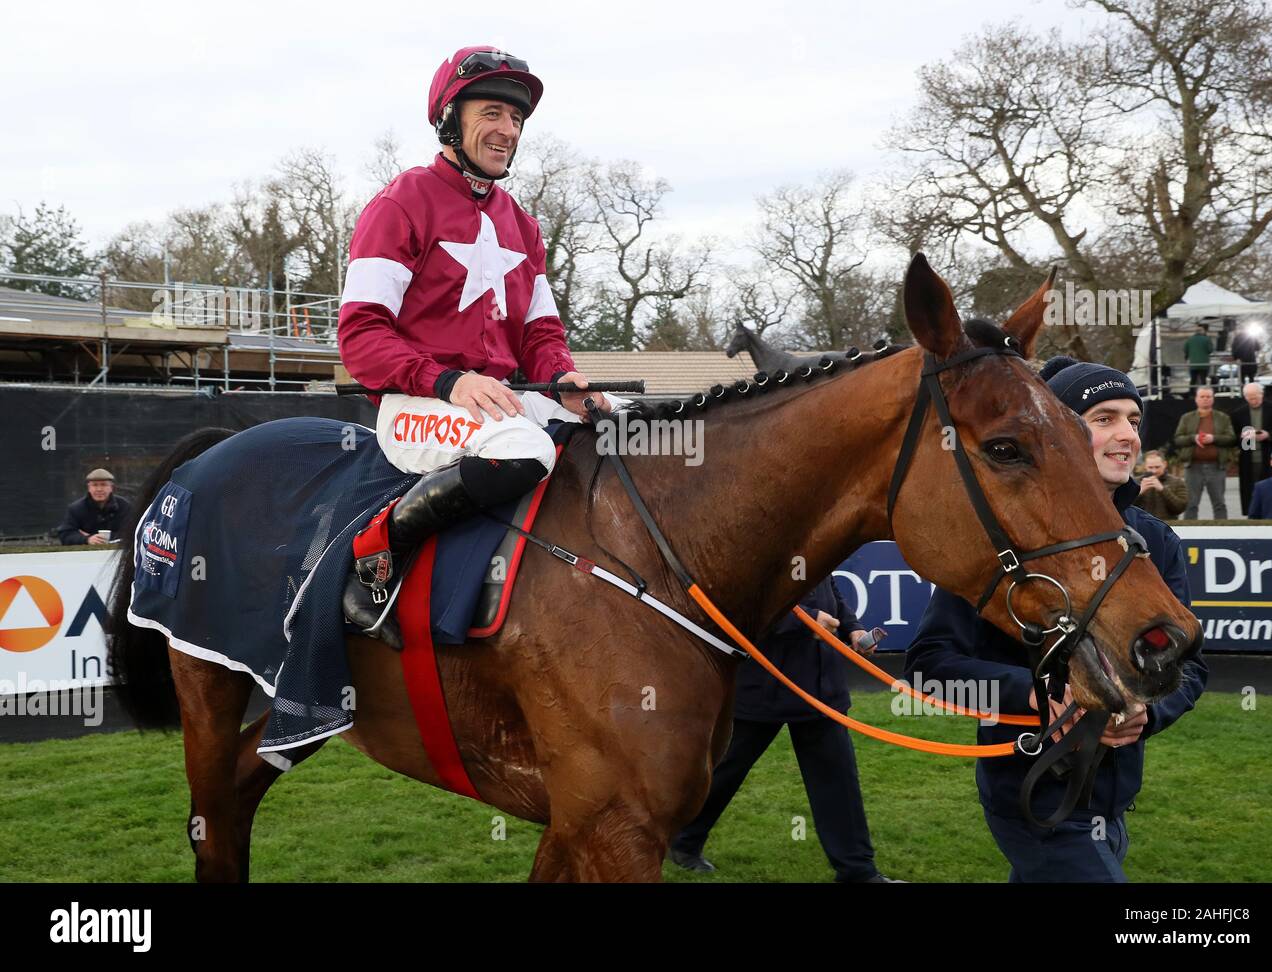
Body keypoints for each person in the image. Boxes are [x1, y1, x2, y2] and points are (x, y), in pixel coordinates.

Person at [336, 47, 614, 640]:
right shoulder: (400, 203)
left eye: (516, 119)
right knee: (526, 452)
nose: (507, 130)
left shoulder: (522, 223)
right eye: (492, 112)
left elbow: (542, 334)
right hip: (416, 404)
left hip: (499, 399)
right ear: (449, 120)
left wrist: (563, 380)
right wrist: (449, 381)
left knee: (634, 431)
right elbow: (360, 337)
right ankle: (378, 549)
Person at [905, 357, 1207, 883]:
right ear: (1059, 432)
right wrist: (1034, 694)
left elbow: (1190, 665)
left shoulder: (1156, 541)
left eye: (1134, 421)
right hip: (1032, 801)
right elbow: (929, 669)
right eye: (1105, 418)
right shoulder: (997, 538)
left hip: (1112, 807)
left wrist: (1147, 714)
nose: (1127, 436)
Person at [668, 575, 899, 883]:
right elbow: (748, 603)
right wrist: (807, 622)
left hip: (820, 690)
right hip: (767, 684)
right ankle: (683, 841)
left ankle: (857, 870)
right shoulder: (760, 542)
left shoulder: (812, 540)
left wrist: (853, 628)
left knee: (837, 780)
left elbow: (832, 592)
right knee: (725, 771)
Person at [1172, 386, 1234, 520]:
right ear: (1196, 399)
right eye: (1202, 396)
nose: (1205, 399)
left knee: (1219, 503)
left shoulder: (1223, 418)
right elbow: (1178, 439)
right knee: (1191, 504)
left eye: (1208, 397)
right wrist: (1193, 438)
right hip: (1193, 466)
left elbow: (1231, 438)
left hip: (1217, 467)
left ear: (1213, 399)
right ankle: (1189, 535)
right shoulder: (1187, 418)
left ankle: (1223, 534)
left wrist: (1214, 438)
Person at [1231, 383, 1272, 517]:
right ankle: (1251, 516)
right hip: (1248, 459)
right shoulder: (1238, 413)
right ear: (1245, 397)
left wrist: (1268, 435)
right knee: (1249, 491)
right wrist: (1242, 437)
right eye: (1250, 398)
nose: (1254, 400)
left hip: (1270, 457)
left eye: (1256, 397)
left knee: (1271, 490)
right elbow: (1231, 438)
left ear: (1262, 394)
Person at [57, 468, 127, 545]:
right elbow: (65, 535)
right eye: (95, 485)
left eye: (103, 485)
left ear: (111, 488)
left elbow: (132, 531)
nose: (99, 489)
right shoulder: (76, 509)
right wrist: (87, 539)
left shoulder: (124, 506)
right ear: (89, 488)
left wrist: (106, 538)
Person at [1133, 450, 1187, 522]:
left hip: (1168, 525)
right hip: (1140, 525)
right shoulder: (1135, 482)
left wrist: (1162, 489)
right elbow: (1123, 507)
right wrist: (1139, 492)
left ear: (1165, 464)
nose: (1154, 471)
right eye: (1150, 467)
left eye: (1157, 467)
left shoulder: (1177, 482)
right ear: (1145, 466)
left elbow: (1180, 508)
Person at [1183, 324, 1213, 397]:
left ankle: (1191, 395)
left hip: (1193, 364)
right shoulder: (1207, 339)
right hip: (1204, 364)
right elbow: (1210, 350)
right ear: (1202, 331)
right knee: (1203, 381)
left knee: (1193, 380)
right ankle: (1204, 395)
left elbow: (1185, 349)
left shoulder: (1190, 339)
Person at [1230, 325, 1260, 390]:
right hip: (1251, 359)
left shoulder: (1237, 338)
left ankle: (1242, 393)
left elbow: (1234, 349)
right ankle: (1252, 391)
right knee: (1251, 378)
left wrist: (1235, 357)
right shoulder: (1252, 337)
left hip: (1241, 360)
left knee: (1242, 378)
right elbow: (1257, 347)